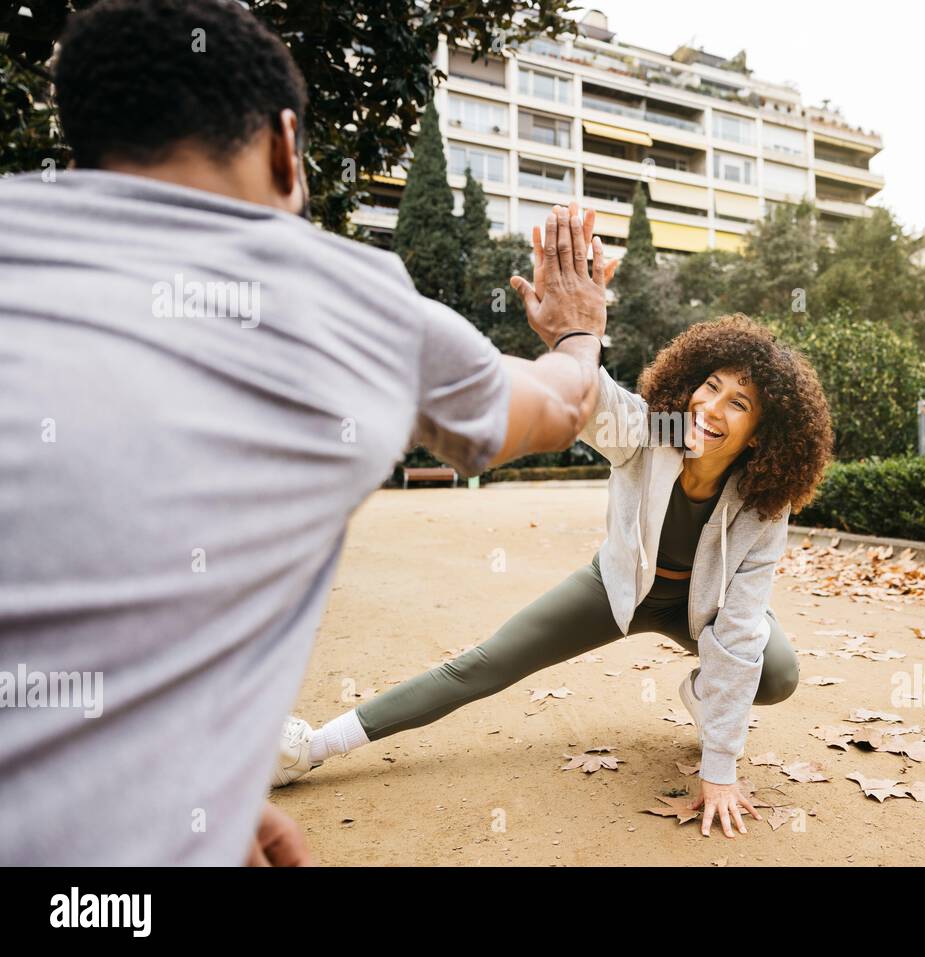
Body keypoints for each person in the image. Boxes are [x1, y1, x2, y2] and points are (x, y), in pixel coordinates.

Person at [0, 0, 609, 865]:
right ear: (287, 148)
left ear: (78, 153)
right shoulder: (344, 300)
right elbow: (559, 406)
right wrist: (580, 329)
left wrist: (189, 790)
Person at [275, 273, 836, 837]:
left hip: (702, 610)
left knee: (776, 670)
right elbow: (591, 398)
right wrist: (575, 336)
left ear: (761, 436)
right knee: (487, 662)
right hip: (617, 589)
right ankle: (311, 746)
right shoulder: (650, 430)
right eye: (709, 386)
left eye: (738, 404)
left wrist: (719, 768)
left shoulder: (765, 503)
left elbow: (738, 630)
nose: (709, 408)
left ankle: (700, 696)